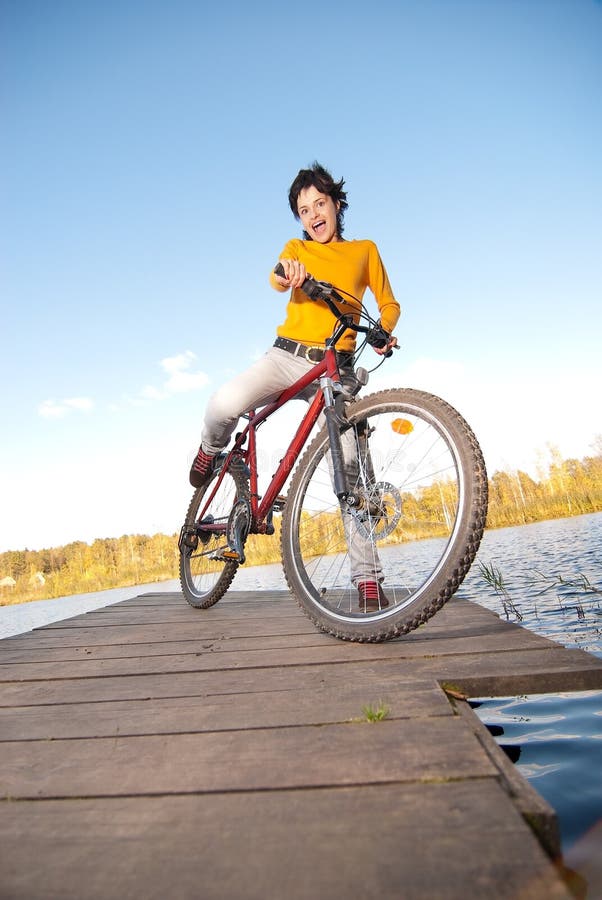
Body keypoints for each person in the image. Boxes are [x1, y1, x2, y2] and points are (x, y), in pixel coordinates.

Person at [189, 162, 400, 611]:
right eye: (304, 210)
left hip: (335, 366)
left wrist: (383, 329)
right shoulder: (297, 248)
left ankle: (367, 577)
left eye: (319, 204)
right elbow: (278, 273)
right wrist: (289, 272)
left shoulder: (364, 250)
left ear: (337, 204)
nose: (313, 215)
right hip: (286, 357)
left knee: (351, 468)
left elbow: (388, 301)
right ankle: (211, 449)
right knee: (223, 404)